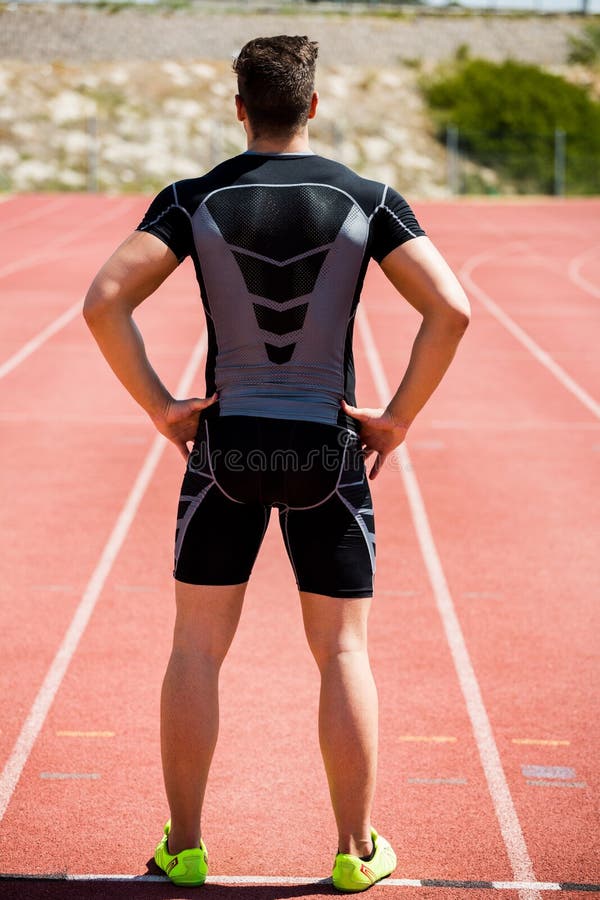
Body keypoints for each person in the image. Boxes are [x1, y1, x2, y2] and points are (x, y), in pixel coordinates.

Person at [83, 35, 470, 892]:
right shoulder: (367, 198)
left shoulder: (195, 198)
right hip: (328, 451)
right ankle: (353, 850)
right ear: (313, 107)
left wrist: (159, 406)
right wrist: (398, 420)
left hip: (224, 446)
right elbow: (452, 309)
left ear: (240, 109)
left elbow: (104, 300)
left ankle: (184, 848)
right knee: (341, 653)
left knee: (195, 650)